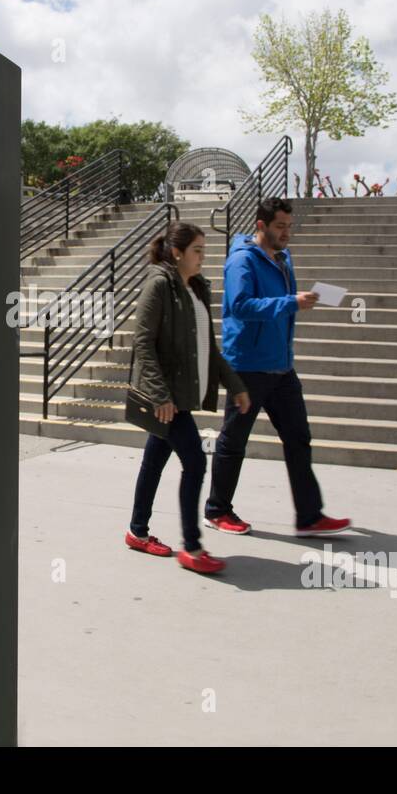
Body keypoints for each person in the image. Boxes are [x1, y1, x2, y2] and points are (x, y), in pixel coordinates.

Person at [204, 197, 352, 537]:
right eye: (279, 227)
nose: (286, 233)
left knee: (299, 438)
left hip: (281, 366)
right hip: (248, 365)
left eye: (289, 226)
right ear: (261, 226)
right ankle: (217, 510)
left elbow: (281, 304)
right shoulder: (241, 260)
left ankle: (309, 516)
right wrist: (290, 302)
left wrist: (303, 299)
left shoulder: (285, 259)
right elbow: (239, 306)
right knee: (233, 440)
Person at [127, 222, 250, 574]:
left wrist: (235, 385)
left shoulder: (195, 287)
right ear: (177, 252)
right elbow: (143, 341)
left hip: (180, 396)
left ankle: (137, 531)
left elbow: (207, 348)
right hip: (167, 397)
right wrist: (159, 394)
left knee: (154, 460)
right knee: (195, 462)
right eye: (197, 250)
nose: (202, 257)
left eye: (204, 250)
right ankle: (192, 548)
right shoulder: (159, 284)